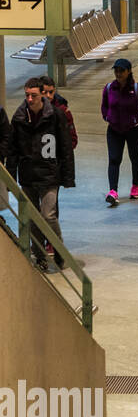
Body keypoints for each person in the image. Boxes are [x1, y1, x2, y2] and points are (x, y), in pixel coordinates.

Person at [5, 77, 75, 271]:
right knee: (34, 218)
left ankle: (59, 250)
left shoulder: (56, 116)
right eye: (27, 95)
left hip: (49, 175)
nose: (29, 99)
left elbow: (65, 147)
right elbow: (12, 150)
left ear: (42, 95)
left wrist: (68, 176)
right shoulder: (19, 118)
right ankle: (39, 255)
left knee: (48, 215)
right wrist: (10, 178)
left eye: (33, 95)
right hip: (28, 175)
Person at [101, 58, 138, 206]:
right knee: (114, 159)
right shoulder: (109, 88)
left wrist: (136, 119)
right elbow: (104, 106)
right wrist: (107, 117)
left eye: (122, 70)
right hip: (114, 130)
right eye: (116, 70)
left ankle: (135, 186)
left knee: (135, 157)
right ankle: (113, 191)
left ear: (129, 71)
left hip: (135, 130)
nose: (118, 73)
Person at [38, 75, 77, 150]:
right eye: (45, 92)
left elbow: (72, 139)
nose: (48, 96)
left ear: (54, 90)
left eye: (51, 92)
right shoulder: (33, 110)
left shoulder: (63, 111)